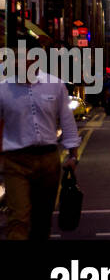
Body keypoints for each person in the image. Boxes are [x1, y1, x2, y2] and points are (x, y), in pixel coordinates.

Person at [0, 40, 81, 240]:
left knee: (42, 219)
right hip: (15, 161)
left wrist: (73, 155)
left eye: (23, 57)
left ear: (36, 59)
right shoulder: (3, 89)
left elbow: (67, 120)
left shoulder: (55, 85)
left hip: (48, 161)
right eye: (15, 58)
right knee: (18, 218)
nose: (18, 62)